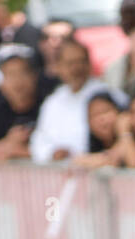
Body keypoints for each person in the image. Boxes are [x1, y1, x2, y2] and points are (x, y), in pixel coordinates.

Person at [29, 35, 103, 163]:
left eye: (81, 61)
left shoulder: (105, 95)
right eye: (70, 63)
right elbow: (39, 141)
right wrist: (52, 153)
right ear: (59, 67)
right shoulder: (53, 101)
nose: (76, 68)